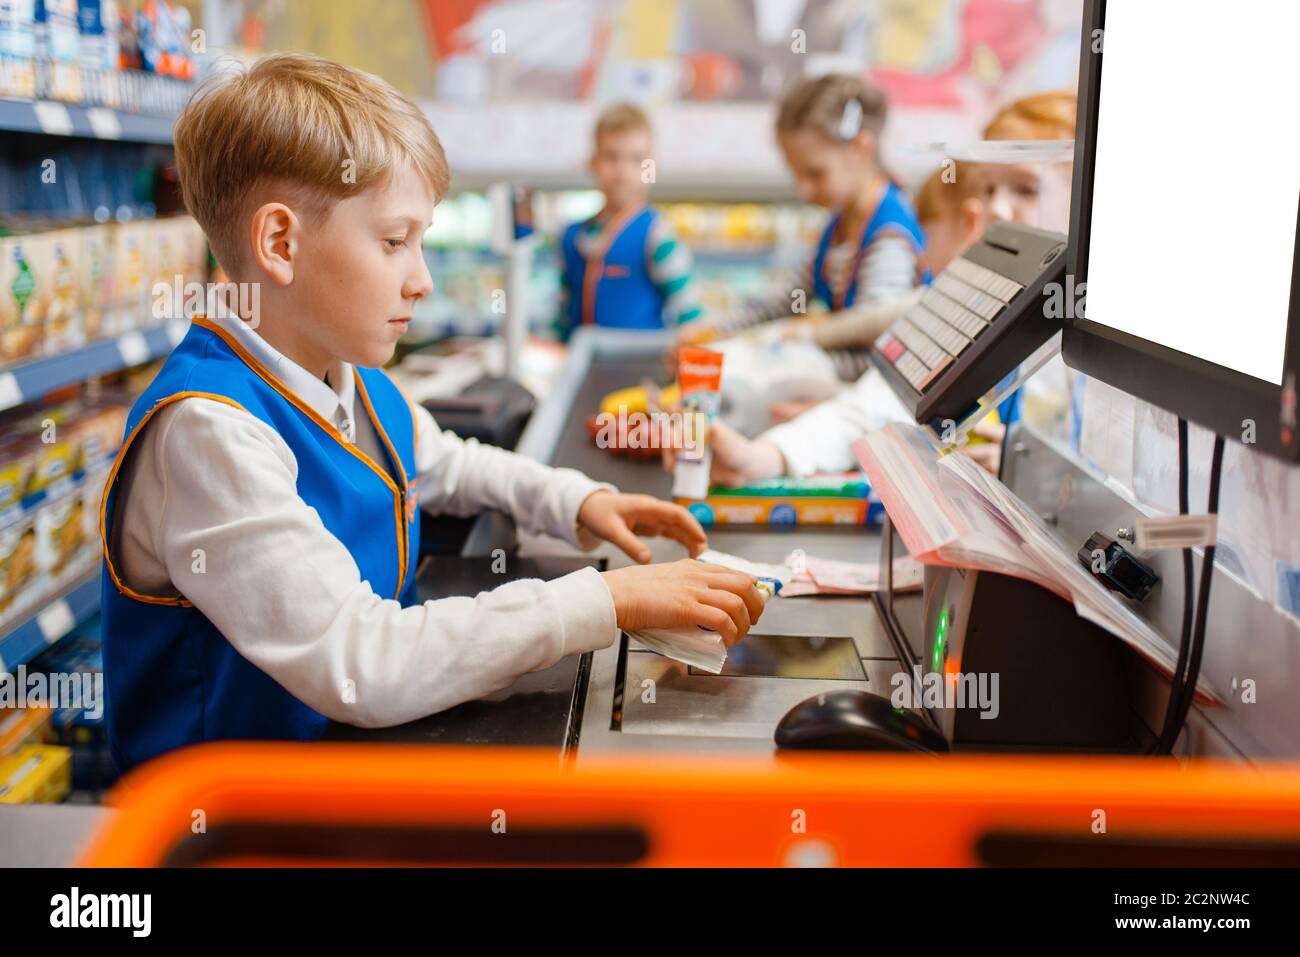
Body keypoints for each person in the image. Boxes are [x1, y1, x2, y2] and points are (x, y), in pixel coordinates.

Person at [100, 54, 765, 772]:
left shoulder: (346, 375)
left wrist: (579, 499)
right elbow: (363, 660)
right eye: (394, 241)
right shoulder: (208, 429)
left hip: (338, 773)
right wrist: (604, 600)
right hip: (223, 827)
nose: (421, 280)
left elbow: (450, 462)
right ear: (280, 244)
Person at [676, 73, 927, 383]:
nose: (804, 190)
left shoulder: (889, 236)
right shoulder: (839, 226)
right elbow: (786, 300)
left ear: (860, 148)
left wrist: (775, 360)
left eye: (815, 173)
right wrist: (717, 331)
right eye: (796, 175)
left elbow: (878, 353)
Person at [557, 103, 703, 337]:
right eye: (611, 157)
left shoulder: (658, 237)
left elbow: (689, 318)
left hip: (640, 369)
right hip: (578, 367)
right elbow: (562, 313)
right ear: (593, 163)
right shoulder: (571, 237)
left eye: (636, 159)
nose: (622, 170)